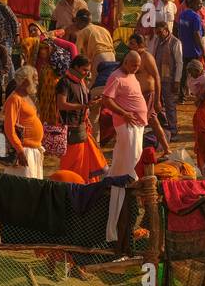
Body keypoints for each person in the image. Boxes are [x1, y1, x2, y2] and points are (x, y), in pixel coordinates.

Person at [102, 51, 148, 244]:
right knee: (131, 160)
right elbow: (107, 100)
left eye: (138, 65)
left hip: (137, 124)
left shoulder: (131, 75)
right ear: (126, 61)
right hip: (126, 124)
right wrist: (125, 113)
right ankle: (128, 187)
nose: (136, 68)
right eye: (133, 64)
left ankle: (122, 185)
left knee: (128, 159)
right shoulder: (116, 77)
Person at [57, 54, 106, 182]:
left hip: (82, 127)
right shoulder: (65, 82)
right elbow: (61, 105)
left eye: (88, 70)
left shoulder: (82, 82)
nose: (86, 73)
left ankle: (81, 186)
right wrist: (83, 106)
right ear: (76, 67)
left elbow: (85, 104)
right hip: (70, 130)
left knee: (83, 164)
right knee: (71, 166)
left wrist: (91, 105)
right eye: (84, 70)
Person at [3, 66, 46, 179]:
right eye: (34, 78)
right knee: (23, 190)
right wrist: (20, 151)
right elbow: (9, 128)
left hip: (32, 149)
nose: (37, 82)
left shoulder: (26, 97)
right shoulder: (14, 99)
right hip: (23, 151)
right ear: (25, 80)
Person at [149, 20, 184, 136]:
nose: (158, 34)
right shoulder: (156, 41)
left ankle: (173, 130)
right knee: (157, 104)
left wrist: (177, 81)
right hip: (157, 78)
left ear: (166, 30)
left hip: (169, 79)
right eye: (157, 32)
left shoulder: (175, 42)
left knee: (170, 105)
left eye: (160, 32)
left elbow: (179, 63)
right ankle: (163, 129)